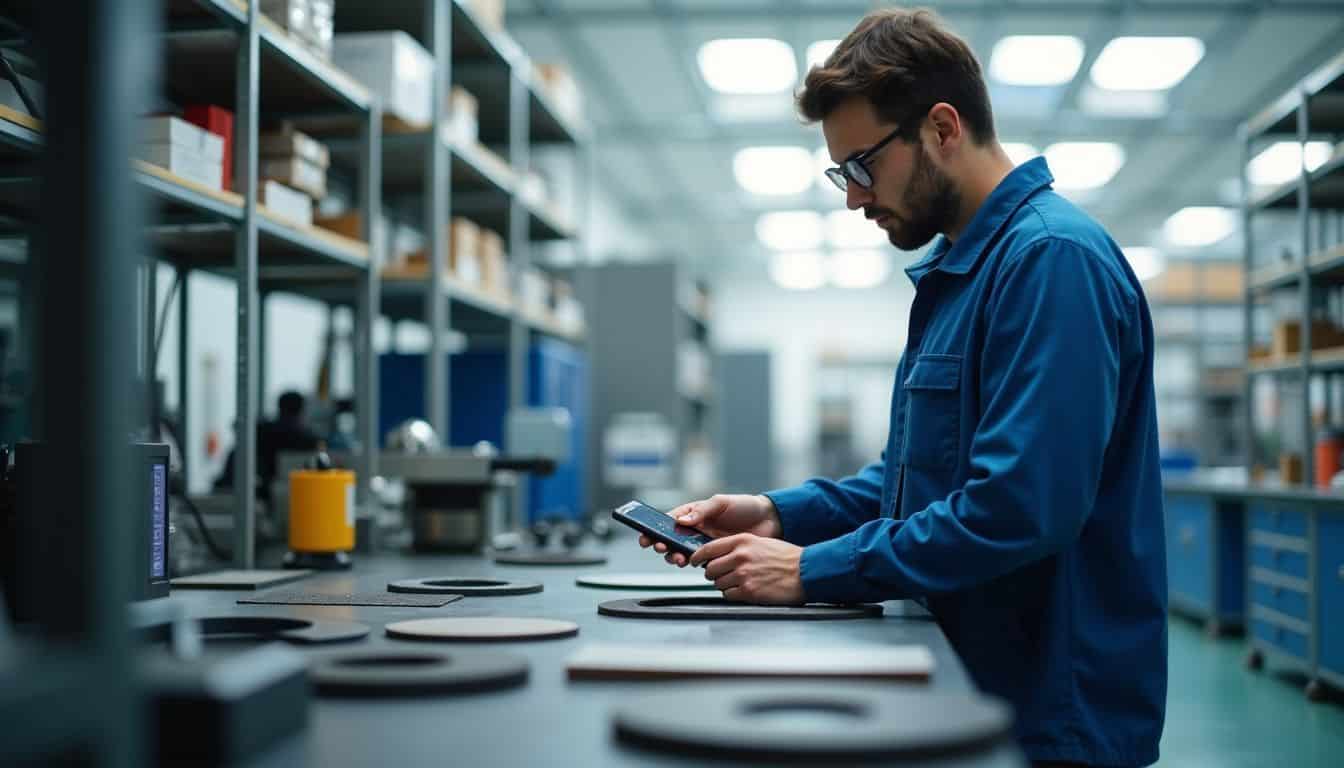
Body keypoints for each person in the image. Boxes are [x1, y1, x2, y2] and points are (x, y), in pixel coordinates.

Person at [640, 9, 1166, 768]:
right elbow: (914, 481)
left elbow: (1019, 508)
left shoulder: (1050, 262)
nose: (853, 197)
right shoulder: (965, 272)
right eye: (841, 173)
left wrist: (813, 570)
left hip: (1053, 714)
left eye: (861, 166)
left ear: (942, 128)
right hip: (974, 678)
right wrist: (778, 515)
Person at [214, 390, 321, 500]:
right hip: (284, 495)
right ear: (302, 411)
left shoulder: (260, 430)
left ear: (279, 407)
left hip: (248, 493)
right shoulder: (307, 439)